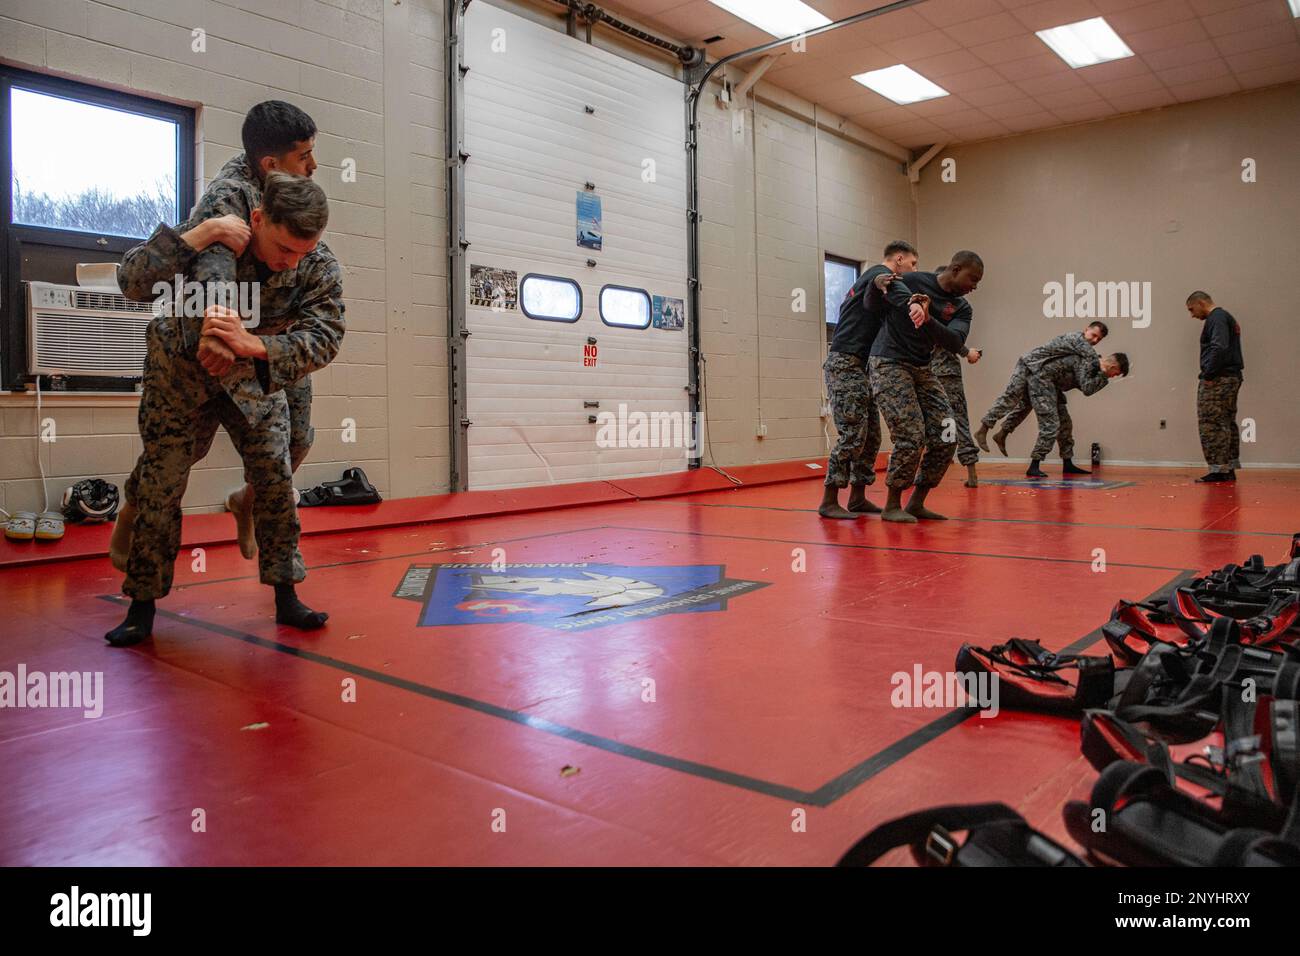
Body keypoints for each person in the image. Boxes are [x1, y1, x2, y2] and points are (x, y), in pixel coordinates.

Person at [106, 172, 344, 647]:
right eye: (283, 248)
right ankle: (141, 605)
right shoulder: (216, 235)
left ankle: (285, 593)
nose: (289, 262)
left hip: (254, 373)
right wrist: (215, 336)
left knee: (275, 480)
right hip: (182, 367)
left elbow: (326, 337)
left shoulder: (317, 264)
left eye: (302, 252)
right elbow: (132, 280)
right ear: (258, 219)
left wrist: (251, 345)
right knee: (164, 480)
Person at [109, 101, 320, 569]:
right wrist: (221, 333)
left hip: (261, 339)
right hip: (205, 341)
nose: (313, 165)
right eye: (304, 155)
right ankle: (132, 507)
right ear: (271, 164)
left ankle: (246, 501)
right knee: (179, 454)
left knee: (299, 438)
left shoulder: (290, 194)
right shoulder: (227, 199)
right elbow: (212, 278)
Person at [869, 251, 983, 522]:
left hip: (923, 366)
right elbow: (873, 305)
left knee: (947, 434)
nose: (974, 286)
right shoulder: (914, 281)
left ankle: (917, 502)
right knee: (910, 434)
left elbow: (954, 341)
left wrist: (929, 317)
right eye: (973, 279)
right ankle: (892, 504)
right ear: (955, 269)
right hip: (889, 361)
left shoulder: (962, 307)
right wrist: (878, 286)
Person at [819, 241, 918, 519]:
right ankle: (829, 499)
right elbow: (877, 282)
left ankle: (858, 496)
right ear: (898, 259)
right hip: (845, 362)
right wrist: (881, 281)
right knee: (853, 434)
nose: (912, 269)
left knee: (872, 436)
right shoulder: (877, 275)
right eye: (911, 263)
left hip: (861, 365)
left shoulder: (870, 280)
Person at [975, 322, 1108, 465]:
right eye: (1094, 335)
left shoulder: (1082, 348)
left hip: (1039, 373)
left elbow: (1087, 362)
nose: (1095, 341)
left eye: (1098, 339)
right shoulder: (1076, 339)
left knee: (1025, 405)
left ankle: (1002, 434)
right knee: (1010, 397)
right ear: (1086, 329)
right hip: (1029, 364)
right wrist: (1102, 364)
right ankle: (983, 429)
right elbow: (1091, 358)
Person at [1022, 352, 1129, 478]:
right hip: (1043, 388)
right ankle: (1034, 466)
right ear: (1113, 367)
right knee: (1050, 427)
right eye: (1116, 373)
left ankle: (1068, 464)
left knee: (1065, 426)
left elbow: (1084, 386)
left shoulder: (1095, 367)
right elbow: (1087, 389)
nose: (1113, 376)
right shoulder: (1090, 362)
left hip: (1055, 391)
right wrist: (1103, 376)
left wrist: (1101, 376)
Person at [926, 264, 982, 488]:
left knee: (929, 419)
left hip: (927, 367)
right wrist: (967, 352)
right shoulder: (948, 307)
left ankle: (967, 471)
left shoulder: (938, 305)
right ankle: (971, 473)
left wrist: (965, 351)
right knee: (958, 418)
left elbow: (946, 337)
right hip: (942, 369)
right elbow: (948, 339)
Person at [1186, 292, 1244, 483]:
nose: (1192, 315)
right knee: (1226, 422)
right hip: (1230, 377)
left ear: (1201, 303)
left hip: (1219, 378)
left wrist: (1209, 374)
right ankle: (1227, 468)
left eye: (1192, 309)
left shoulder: (1216, 318)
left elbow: (1219, 347)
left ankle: (1219, 469)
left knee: (1211, 423)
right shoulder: (1226, 317)